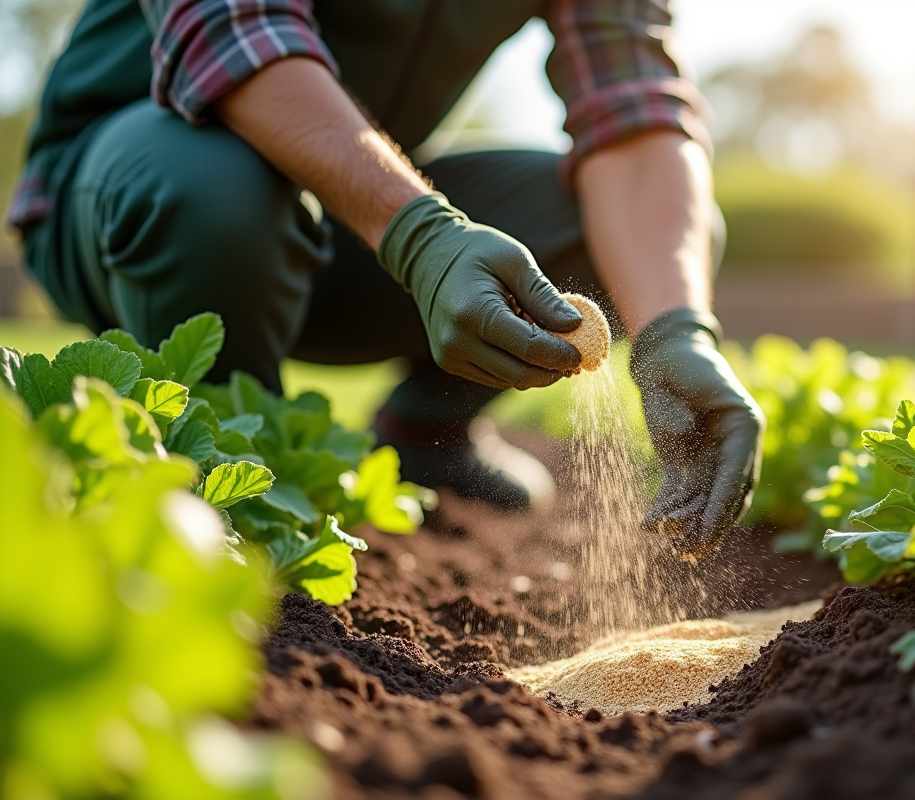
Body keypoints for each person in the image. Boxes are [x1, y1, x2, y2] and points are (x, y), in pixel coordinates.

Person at [8, 0, 763, 556]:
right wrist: (419, 235)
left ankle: (425, 432)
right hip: (134, 193)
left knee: (633, 244)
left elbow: (636, 118)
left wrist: (677, 327)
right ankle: (214, 474)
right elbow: (231, 31)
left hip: (346, 203)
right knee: (211, 185)